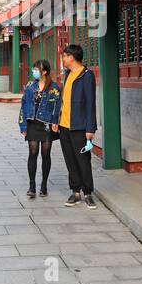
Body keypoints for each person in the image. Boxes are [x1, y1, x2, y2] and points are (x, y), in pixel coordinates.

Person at [52, 44, 97, 208]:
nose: (63, 59)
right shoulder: (67, 74)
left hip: (79, 127)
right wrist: (56, 120)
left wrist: (90, 128)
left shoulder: (86, 76)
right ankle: (75, 191)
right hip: (64, 126)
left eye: (64, 56)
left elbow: (91, 103)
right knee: (70, 160)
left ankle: (88, 193)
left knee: (83, 160)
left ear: (71, 57)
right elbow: (62, 101)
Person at [19, 60, 61, 199]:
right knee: (32, 152)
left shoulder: (54, 88)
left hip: (47, 124)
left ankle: (44, 185)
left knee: (46, 154)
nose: (34, 71)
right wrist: (23, 124)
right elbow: (24, 104)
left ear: (44, 72)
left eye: (37, 69)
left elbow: (58, 107)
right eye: (33, 69)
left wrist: (56, 122)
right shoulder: (31, 86)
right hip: (32, 122)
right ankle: (32, 186)